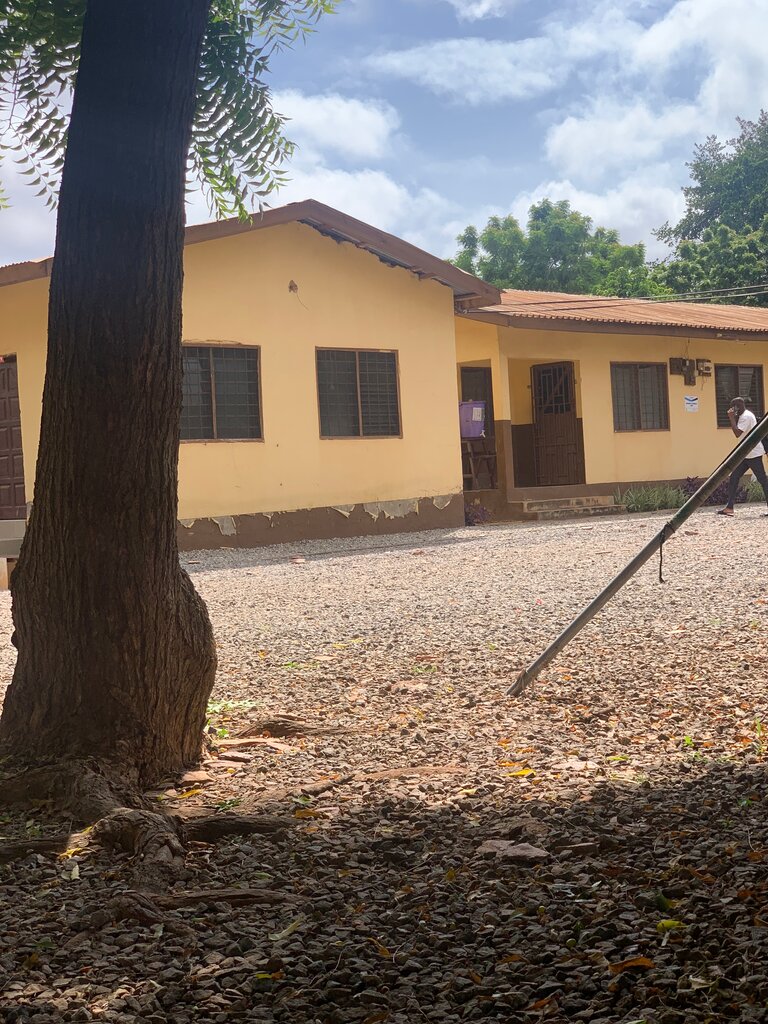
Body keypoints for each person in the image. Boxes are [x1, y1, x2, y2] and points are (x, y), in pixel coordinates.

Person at [717, 396, 768, 516]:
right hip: (746, 454)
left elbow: (737, 433)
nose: (732, 410)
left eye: (733, 407)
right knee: (734, 477)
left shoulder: (745, 417)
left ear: (737, 407)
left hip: (753, 454)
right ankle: (729, 507)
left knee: (763, 480)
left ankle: (729, 507)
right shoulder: (746, 414)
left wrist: (731, 418)